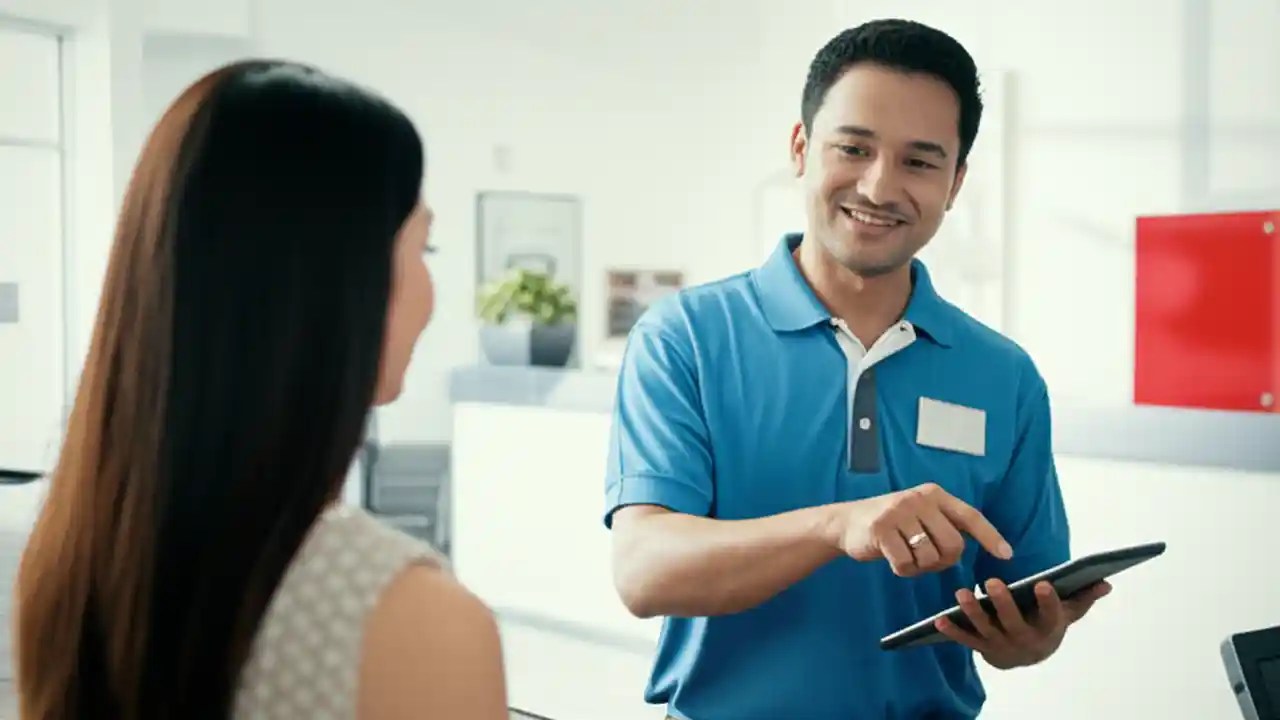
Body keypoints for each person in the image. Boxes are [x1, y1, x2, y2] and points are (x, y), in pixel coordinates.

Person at [604, 19, 1111, 720]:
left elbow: (1022, 620)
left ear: (955, 182)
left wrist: (1029, 637)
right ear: (800, 148)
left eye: (920, 162)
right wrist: (836, 526)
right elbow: (642, 571)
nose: (879, 185)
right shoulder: (685, 338)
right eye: (854, 148)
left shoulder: (1006, 377)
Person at [13, 60, 509, 720]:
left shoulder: (67, 556)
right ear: (335, 282)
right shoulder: (408, 617)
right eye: (424, 249)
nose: (430, 293)